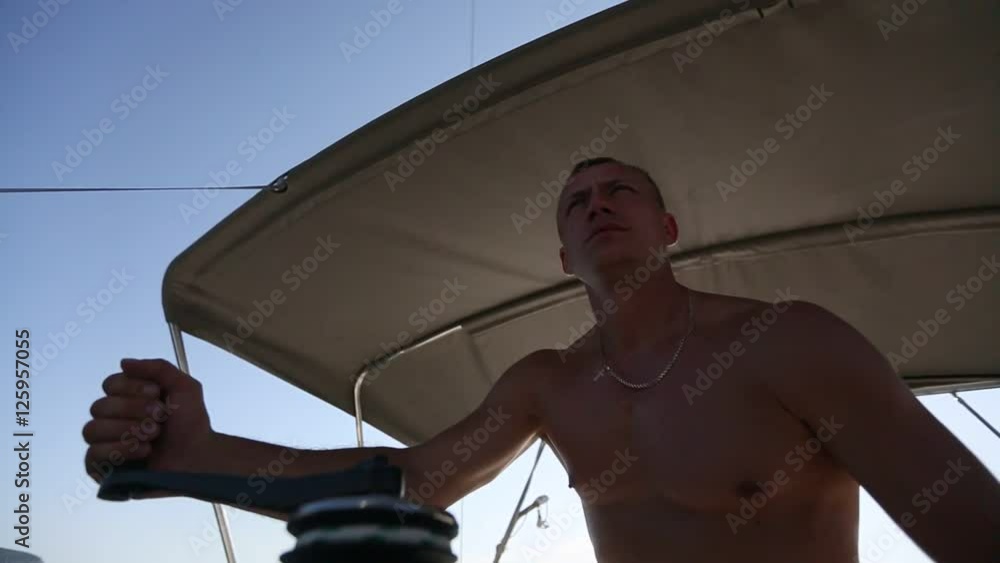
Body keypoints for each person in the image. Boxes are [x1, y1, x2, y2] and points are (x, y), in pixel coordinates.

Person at [83, 157, 1000, 562]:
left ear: (668, 228)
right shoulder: (548, 384)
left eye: (620, 191)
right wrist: (192, 457)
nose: (598, 204)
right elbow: (400, 481)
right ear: (565, 256)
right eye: (577, 202)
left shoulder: (790, 341)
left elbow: (969, 523)